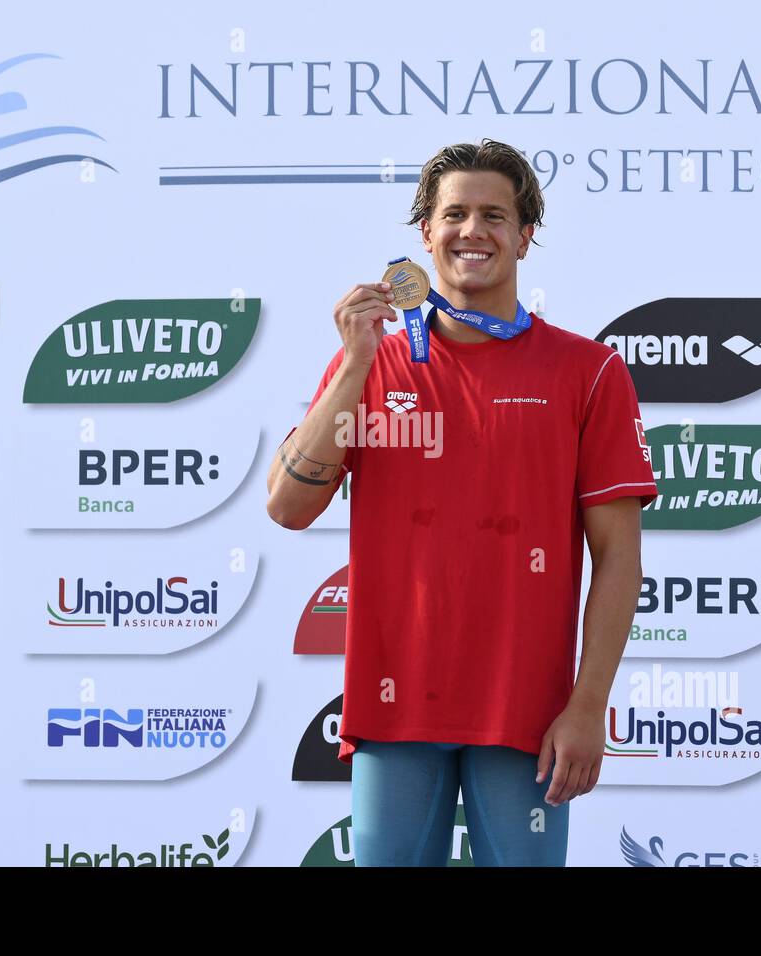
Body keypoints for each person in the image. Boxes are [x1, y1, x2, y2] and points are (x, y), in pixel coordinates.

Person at [266, 139, 657, 866]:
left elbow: (619, 559)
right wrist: (355, 362)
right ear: (425, 234)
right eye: (454, 214)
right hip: (397, 704)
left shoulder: (590, 371)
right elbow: (287, 506)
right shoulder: (371, 361)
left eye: (494, 215)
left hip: (528, 714)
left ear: (525, 236)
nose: (472, 231)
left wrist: (586, 704)